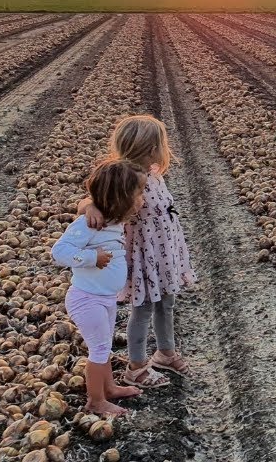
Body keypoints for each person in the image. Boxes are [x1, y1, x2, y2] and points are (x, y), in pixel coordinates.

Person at [81, 114, 197, 389]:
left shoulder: (153, 174)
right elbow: (91, 201)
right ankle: (136, 367)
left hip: (164, 255)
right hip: (144, 257)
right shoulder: (127, 179)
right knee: (143, 309)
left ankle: (165, 353)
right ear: (152, 148)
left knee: (166, 303)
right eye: (162, 144)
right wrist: (90, 207)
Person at [52, 159, 147, 416]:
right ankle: (95, 401)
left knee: (104, 346)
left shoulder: (114, 220)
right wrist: (92, 258)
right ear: (121, 198)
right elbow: (59, 251)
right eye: (139, 194)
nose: (142, 199)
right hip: (86, 299)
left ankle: (110, 388)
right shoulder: (90, 224)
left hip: (104, 298)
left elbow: (88, 201)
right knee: (99, 349)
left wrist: (89, 203)